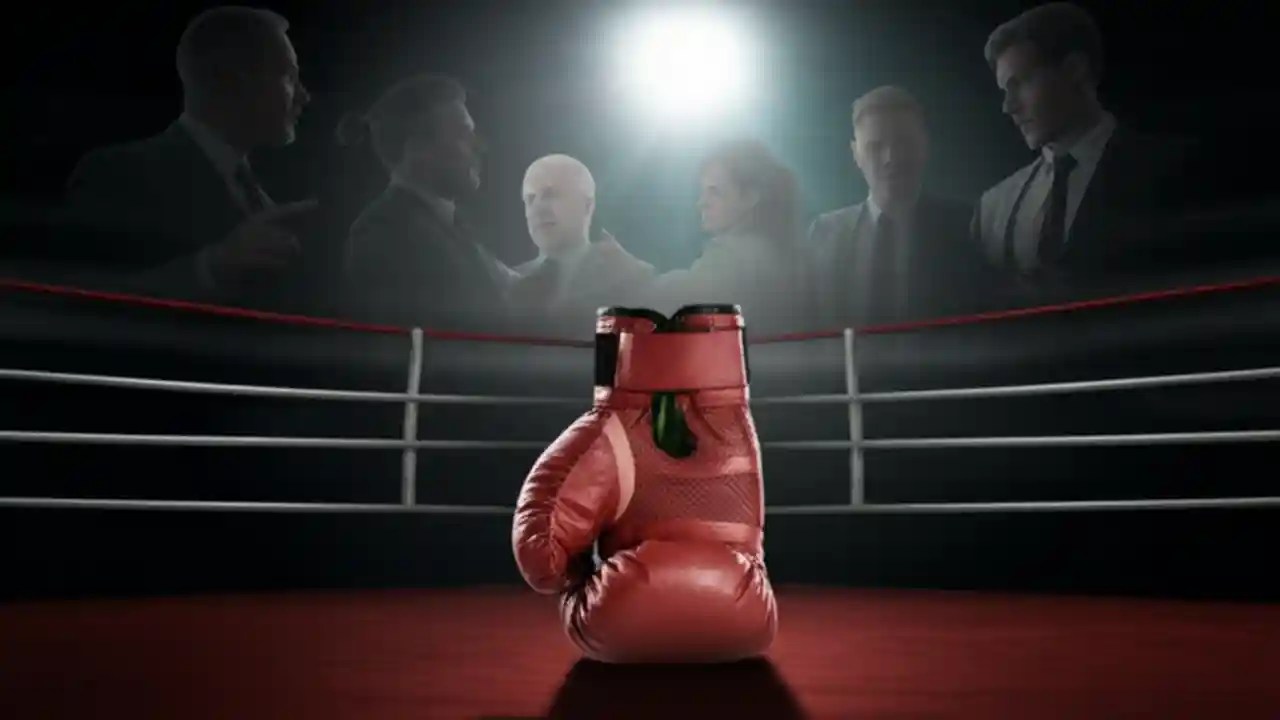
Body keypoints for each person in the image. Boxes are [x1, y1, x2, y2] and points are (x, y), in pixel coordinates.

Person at [64, 6, 315, 303]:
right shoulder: (115, 173)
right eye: (288, 76)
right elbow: (79, 300)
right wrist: (212, 267)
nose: (303, 95)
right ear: (232, 79)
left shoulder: (261, 198)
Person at [970, 2, 1191, 302]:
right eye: (1003, 91)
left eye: (1019, 83)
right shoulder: (992, 209)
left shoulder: (1172, 171)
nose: (1008, 107)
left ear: (1075, 69)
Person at [808, 85, 997, 327]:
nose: (891, 158)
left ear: (924, 145)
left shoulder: (970, 227)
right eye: (875, 147)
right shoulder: (824, 234)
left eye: (903, 143)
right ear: (855, 154)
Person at [339, 73, 515, 329]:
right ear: (418, 148)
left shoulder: (444, 225)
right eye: (464, 133)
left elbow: (511, 283)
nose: (480, 146)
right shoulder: (386, 234)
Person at [630, 139, 809, 334]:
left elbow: (672, 302)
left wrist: (631, 273)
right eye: (703, 192)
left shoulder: (734, 258)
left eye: (714, 192)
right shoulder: (787, 255)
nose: (701, 203)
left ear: (750, 197)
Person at [508, 154, 653, 329]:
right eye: (530, 199)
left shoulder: (633, 278)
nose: (537, 208)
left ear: (587, 205)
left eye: (550, 194)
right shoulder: (506, 287)